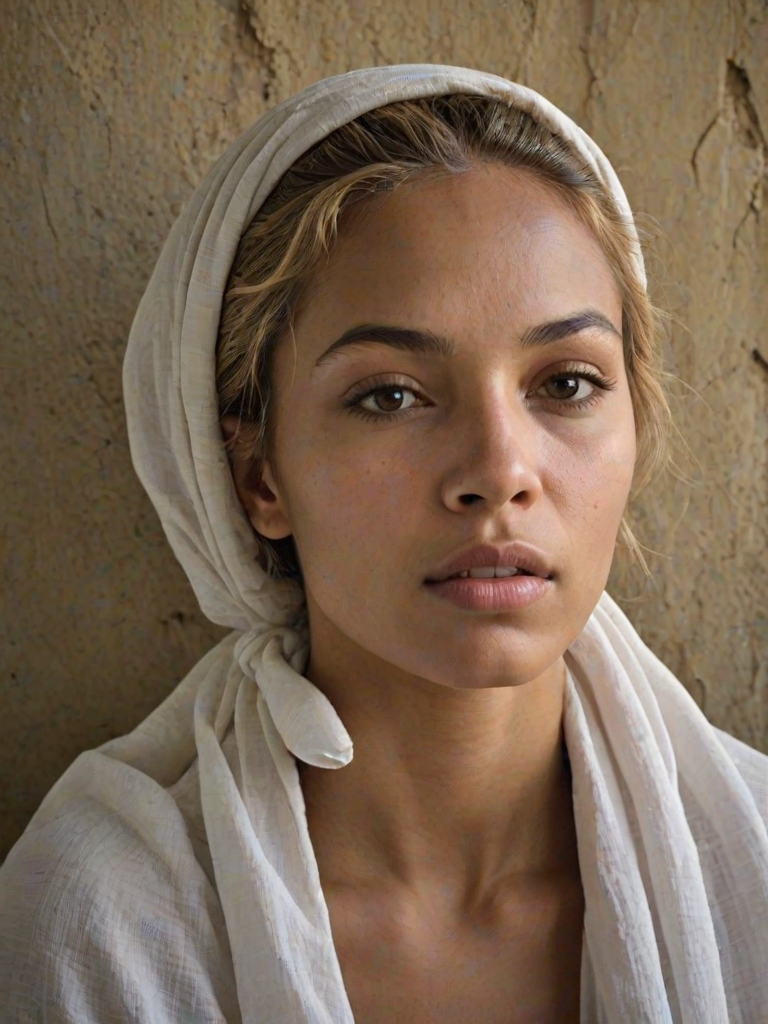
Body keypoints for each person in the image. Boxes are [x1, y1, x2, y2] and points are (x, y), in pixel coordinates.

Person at [1, 63, 767, 1024]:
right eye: (390, 395)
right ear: (258, 477)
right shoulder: (102, 934)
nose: (498, 469)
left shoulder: (755, 865)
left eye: (566, 383)